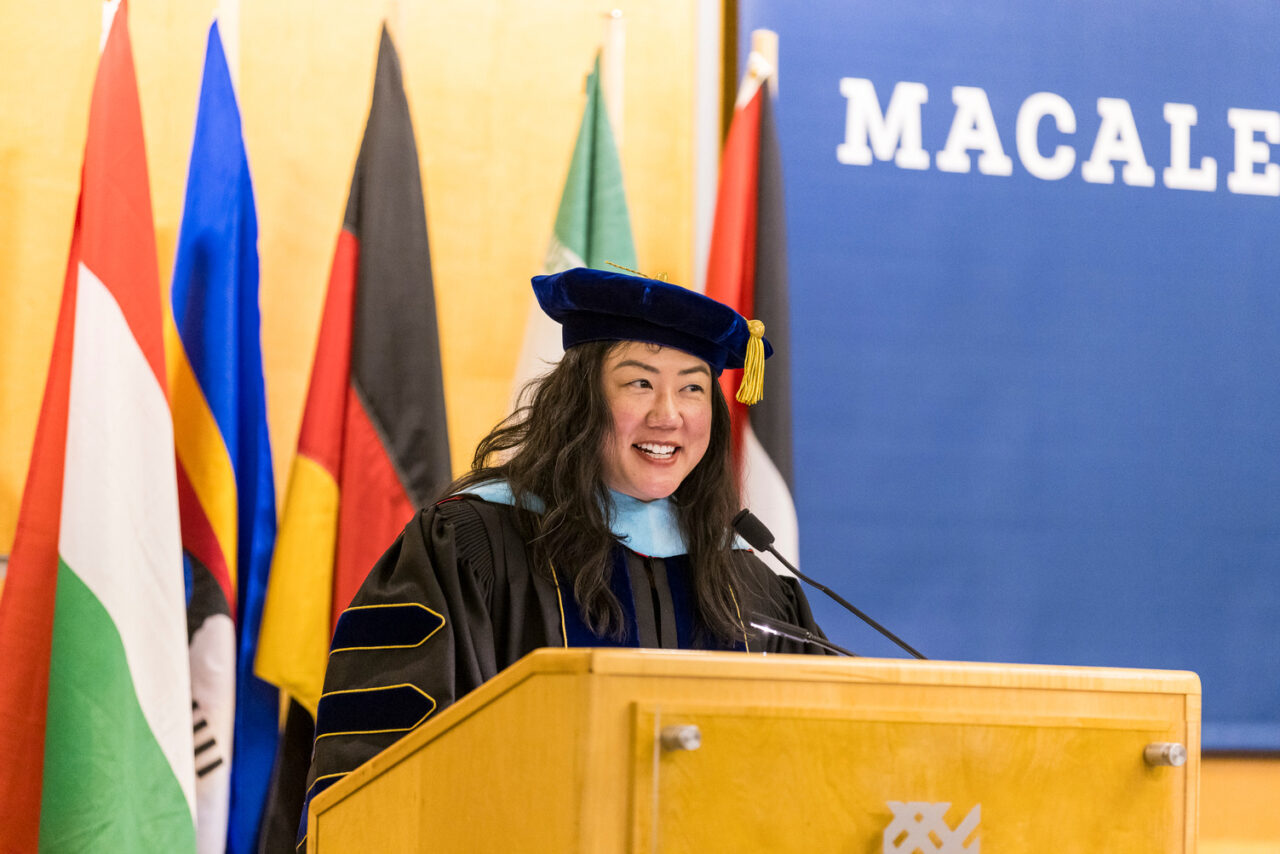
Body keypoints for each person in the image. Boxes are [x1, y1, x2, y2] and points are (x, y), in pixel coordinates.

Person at [295, 266, 828, 846]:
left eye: (693, 388)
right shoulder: (474, 543)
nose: (668, 415)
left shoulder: (748, 579)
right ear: (580, 402)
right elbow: (383, 761)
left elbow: (823, 764)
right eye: (640, 383)